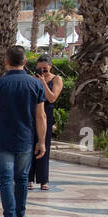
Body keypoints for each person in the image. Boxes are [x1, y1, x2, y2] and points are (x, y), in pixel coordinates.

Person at [0, 45, 47, 217]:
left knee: (6, 178)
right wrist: (41, 141)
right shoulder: (35, 84)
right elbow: (41, 116)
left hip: (3, 140)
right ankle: (20, 214)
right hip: (26, 139)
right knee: (22, 178)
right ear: (25, 62)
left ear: (6, 62)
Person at [29, 56, 63, 190]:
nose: (42, 71)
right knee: (30, 145)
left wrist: (43, 83)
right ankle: (29, 179)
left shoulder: (57, 79)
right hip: (33, 114)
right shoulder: (33, 79)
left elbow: (52, 98)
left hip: (47, 113)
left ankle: (43, 180)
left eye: (45, 68)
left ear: (50, 66)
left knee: (44, 145)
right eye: (40, 68)